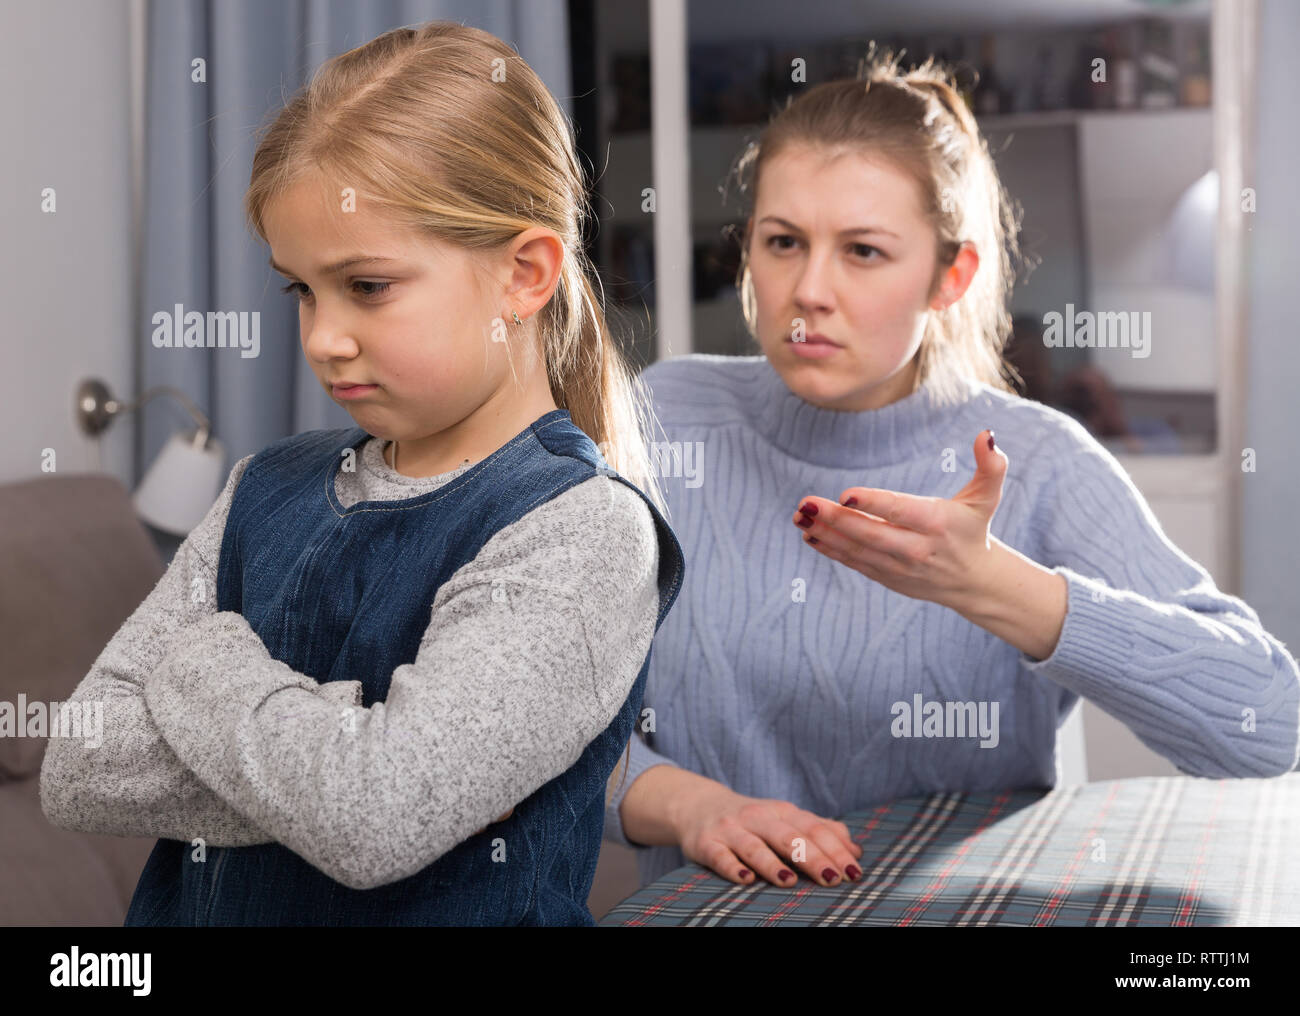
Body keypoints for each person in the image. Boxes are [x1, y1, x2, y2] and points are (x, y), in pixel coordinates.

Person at [604, 51, 1299, 893]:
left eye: (863, 251)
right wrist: (686, 805)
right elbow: (537, 722)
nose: (807, 290)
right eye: (783, 242)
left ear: (949, 276)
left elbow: (1268, 728)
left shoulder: (1040, 460)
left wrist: (997, 588)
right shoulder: (667, 415)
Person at [39, 20, 685, 927]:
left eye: (368, 287)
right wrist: (352, 760)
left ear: (524, 274)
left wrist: (198, 657)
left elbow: (377, 818)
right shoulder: (264, 485)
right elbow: (77, 766)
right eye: (300, 289)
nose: (322, 339)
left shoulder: (583, 532)